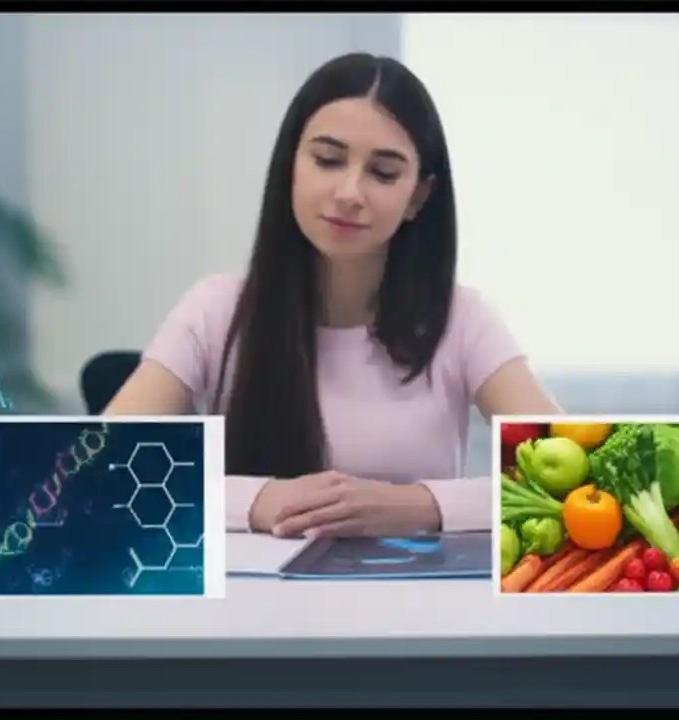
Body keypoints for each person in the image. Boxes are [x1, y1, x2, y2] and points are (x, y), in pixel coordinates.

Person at [104, 52, 561, 539]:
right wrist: (255, 501)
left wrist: (420, 504)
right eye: (327, 160)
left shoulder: (462, 319)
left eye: (383, 173)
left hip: (412, 608)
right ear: (291, 168)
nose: (349, 192)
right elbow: (90, 469)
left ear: (418, 198)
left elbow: (579, 485)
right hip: (247, 609)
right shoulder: (215, 311)